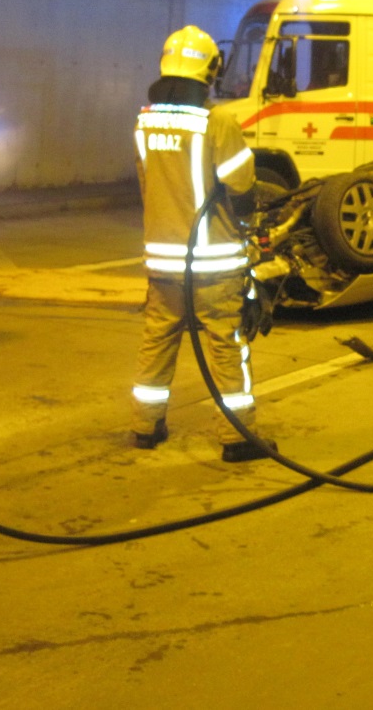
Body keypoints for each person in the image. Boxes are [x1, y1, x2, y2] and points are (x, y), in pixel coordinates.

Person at [130, 25, 274, 462]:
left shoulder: (145, 122)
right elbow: (242, 187)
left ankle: (144, 427)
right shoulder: (219, 123)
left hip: (163, 265)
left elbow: (150, 184)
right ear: (212, 69)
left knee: (158, 341)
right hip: (213, 265)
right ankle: (237, 437)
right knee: (227, 347)